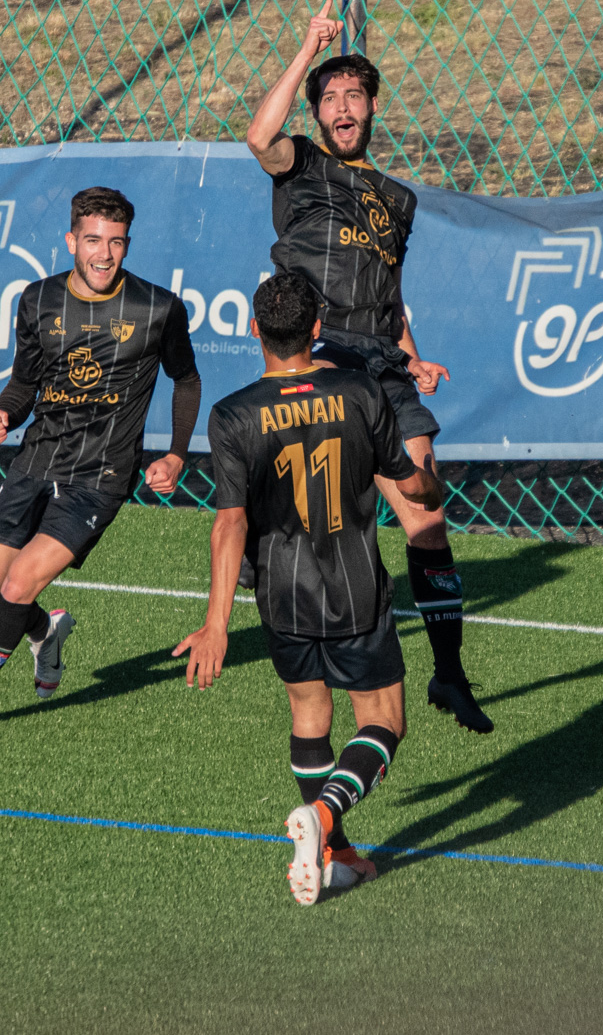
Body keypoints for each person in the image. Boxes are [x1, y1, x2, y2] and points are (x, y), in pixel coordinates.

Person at [244, 0, 491, 734]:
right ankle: (274, 581)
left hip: (382, 362)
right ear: (317, 114)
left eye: (355, 94)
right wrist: (308, 48)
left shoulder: (398, 198)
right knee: (307, 516)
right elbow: (259, 135)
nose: (343, 106)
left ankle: (448, 672)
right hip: (314, 358)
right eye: (331, 97)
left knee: (426, 511)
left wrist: (414, 360)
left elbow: (392, 293)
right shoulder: (305, 167)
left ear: (374, 104)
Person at [174, 272, 444, 905]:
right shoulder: (358, 392)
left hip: (282, 594)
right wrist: (430, 487)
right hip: (354, 589)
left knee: (309, 715)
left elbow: (230, 523)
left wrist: (216, 624)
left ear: (252, 329)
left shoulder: (233, 413)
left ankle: (337, 851)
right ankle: (324, 820)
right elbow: (410, 483)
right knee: (383, 722)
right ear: (318, 330)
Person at [0, 187, 201, 740]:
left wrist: (178, 454)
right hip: (35, 460)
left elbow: (186, 379)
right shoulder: (37, 299)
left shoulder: (157, 308)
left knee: (18, 587)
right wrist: (4, 413)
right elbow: (25, 381)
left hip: (100, 476)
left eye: (115, 243)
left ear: (127, 245)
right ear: (72, 240)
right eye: (93, 240)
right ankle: (47, 631)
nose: (104, 254)